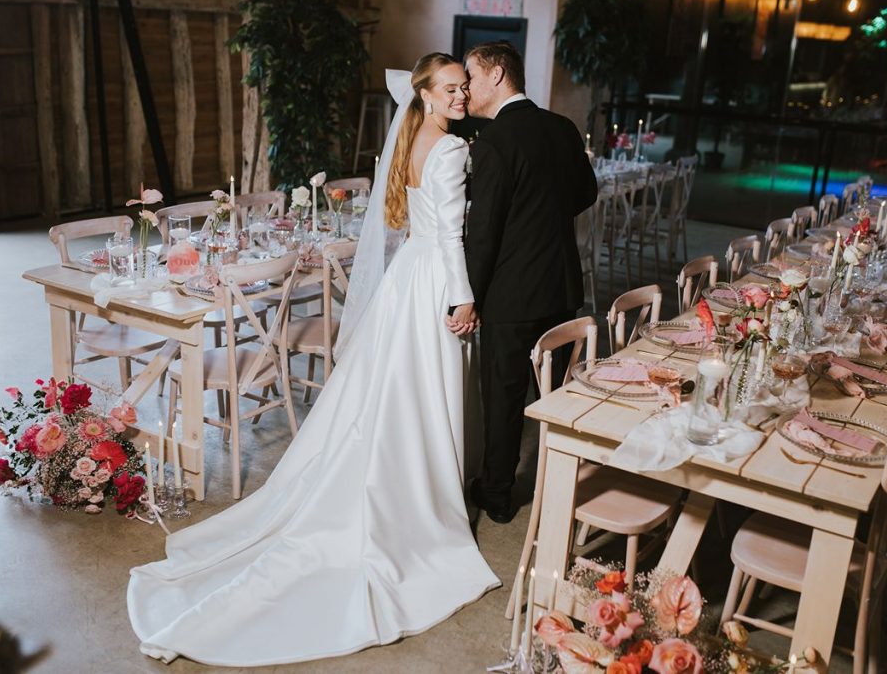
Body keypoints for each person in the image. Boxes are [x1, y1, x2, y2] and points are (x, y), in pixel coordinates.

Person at [127, 54, 499, 666]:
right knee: (422, 390)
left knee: (398, 390)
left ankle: (402, 479)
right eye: (452, 88)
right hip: (435, 280)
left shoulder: (413, 139)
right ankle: (417, 501)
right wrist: (463, 298)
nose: (461, 96)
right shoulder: (453, 149)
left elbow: (421, 227)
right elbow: (452, 236)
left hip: (409, 277)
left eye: (464, 88)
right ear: (428, 95)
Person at [463, 41, 599, 524]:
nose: (466, 88)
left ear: (498, 74)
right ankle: (561, 486)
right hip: (560, 287)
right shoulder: (562, 127)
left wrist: (469, 296)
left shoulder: (495, 140)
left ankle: (498, 494)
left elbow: (484, 232)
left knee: (503, 396)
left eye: (471, 76)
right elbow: (587, 191)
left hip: (511, 294)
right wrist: (543, 219)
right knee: (557, 394)